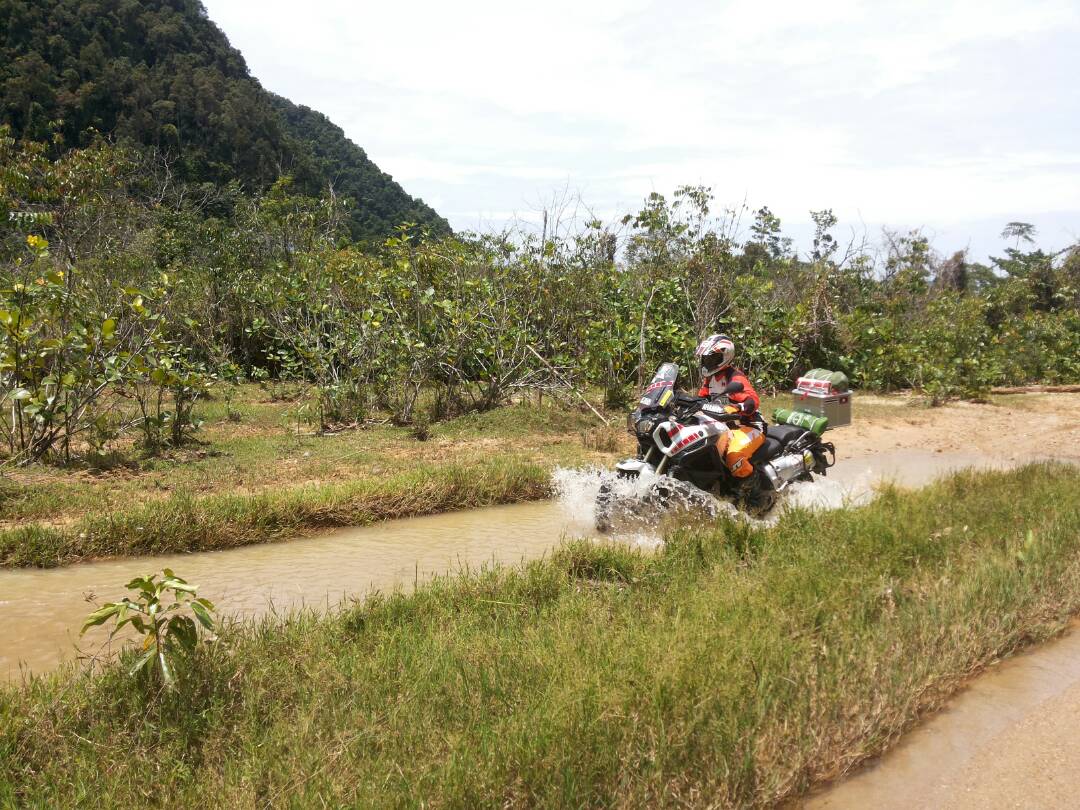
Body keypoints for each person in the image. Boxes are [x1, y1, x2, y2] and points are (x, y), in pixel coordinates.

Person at [693, 333, 771, 510]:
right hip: (725, 428)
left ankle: (756, 501)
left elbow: (752, 401)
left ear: (724, 357)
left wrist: (739, 408)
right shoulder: (710, 379)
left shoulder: (734, 378)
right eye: (705, 359)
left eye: (712, 358)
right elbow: (700, 399)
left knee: (734, 456)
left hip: (749, 426)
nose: (707, 363)